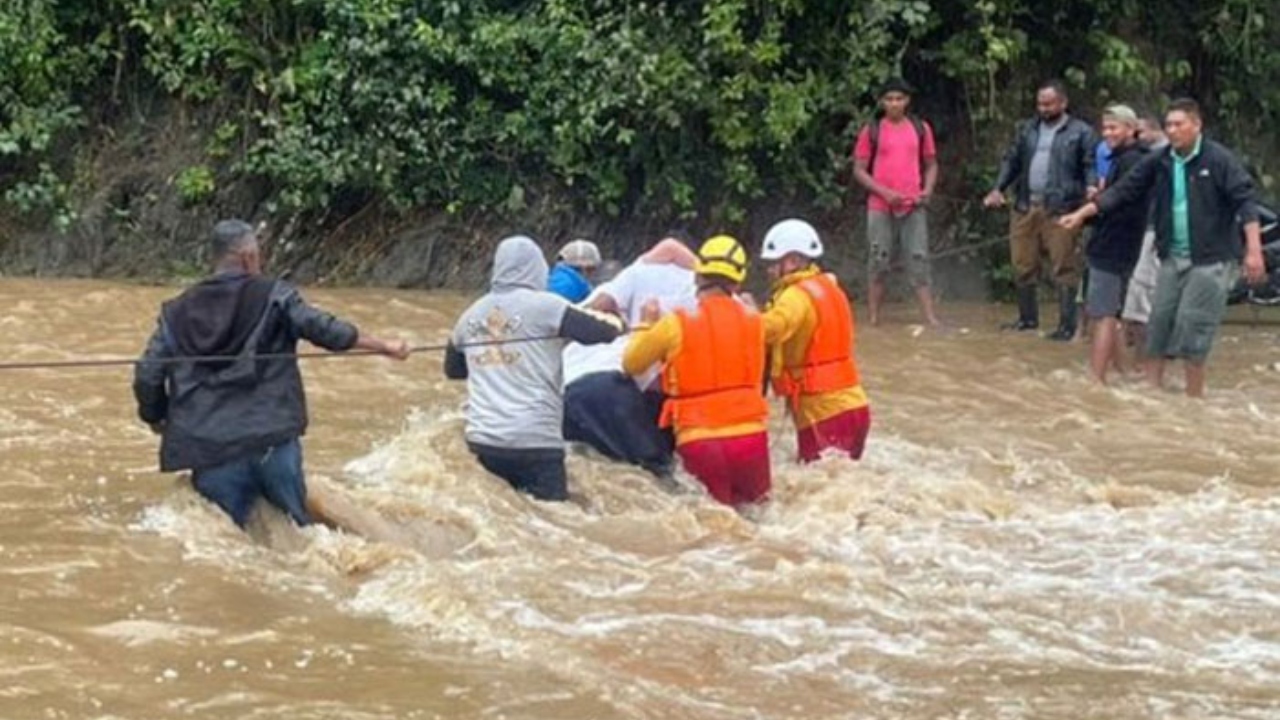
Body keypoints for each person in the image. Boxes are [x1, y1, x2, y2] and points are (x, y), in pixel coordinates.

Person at [133, 220, 410, 528]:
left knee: (227, 545)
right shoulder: (274, 295)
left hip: (211, 450)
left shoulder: (175, 312)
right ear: (248, 257)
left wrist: (156, 417)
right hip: (272, 443)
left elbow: (147, 373)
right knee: (301, 539)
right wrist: (383, 345)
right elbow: (322, 328)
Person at [1059, 98, 1266, 397]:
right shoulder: (1162, 160)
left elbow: (1245, 202)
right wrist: (1081, 214)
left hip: (1210, 259)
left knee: (1193, 325)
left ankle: (1194, 399)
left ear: (1197, 125)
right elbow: (1123, 190)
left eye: (1178, 124)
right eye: (1168, 124)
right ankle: (1153, 400)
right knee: (1157, 325)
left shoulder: (1218, 160)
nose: (1172, 130)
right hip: (1172, 256)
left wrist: (1254, 251)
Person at [445, 235, 623, 501]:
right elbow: (604, 331)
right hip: (536, 442)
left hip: (483, 442)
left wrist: (495, 357)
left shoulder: (469, 316)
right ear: (537, 268)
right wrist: (618, 318)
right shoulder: (547, 306)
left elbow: (454, 370)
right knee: (555, 526)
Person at [621, 235, 771, 507]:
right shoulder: (756, 321)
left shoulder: (677, 323)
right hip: (751, 438)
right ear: (737, 283)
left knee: (711, 530)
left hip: (701, 441)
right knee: (759, 519)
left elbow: (632, 362)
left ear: (697, 277)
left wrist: (645, 323)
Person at [562, 238, 698, 478]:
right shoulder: (707, 289)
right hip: (650, 395)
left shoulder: (632, 275)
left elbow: (593, 308)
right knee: (660, 472)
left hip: (577, 390)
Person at [984, 79, 1099, 340]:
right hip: (1026, 205)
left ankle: (1067, 326)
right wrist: (998, 189)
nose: (1044, 109)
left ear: (1063, 103)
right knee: (1022, 263)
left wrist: (1092, 186)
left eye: (1049, 104)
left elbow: (1089, 163)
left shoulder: (1081, 132)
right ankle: (1027, 320)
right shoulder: (1027, 129)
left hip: (1061, 209)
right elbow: (1011, 161)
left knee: (1064, 266)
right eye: (1040, 104)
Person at [758, 219, 872, 462]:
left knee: (824, 489)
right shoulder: (828, 287)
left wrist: (740, 315)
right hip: (853, 405)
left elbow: (774, 327)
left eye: (772, 263)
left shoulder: (795, 295)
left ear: (793, 261)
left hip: (825, 413)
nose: (768, 270)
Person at [852, 77, 942, 327]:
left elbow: (931, 164)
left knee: (918, 259)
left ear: (907, 101)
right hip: (880, 207)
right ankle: (873, 318)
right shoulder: (872, 131)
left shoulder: (920, 128)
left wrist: (928, 189)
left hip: (914, 206)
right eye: (889, 99)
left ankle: (930, 317)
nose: (894, 104)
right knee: (878, 260)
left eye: (899, 99)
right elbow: (859, 170)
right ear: (882, 102)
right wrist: (884, 192)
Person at [1081, 105, 1150, 384]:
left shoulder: (1131, 161)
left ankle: (1095, 380)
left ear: (1131, 129)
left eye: (1114, 127)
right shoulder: (1130, 159)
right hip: (1121, 243)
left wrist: (1084, 213)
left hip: (1112, 245)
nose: (1107, 133)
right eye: (1105, 128)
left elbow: (1118, 201)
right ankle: (1124, 373)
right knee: (1112, 313)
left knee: (1103, 316)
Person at [1120, 115, 1171, 363]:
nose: (1135, 137)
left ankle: (1145, 365)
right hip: (1151, 229)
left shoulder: (1159, 158)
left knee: (1143, 296)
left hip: (1156, 230)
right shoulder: (1153, 157)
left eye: (1139, 132)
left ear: (1154, 131)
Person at [547, 238, 602, 303]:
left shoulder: (552, 278)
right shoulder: (572, 286)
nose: (593, 273)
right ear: (584, 267)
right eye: (591, 269)